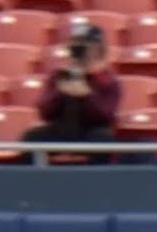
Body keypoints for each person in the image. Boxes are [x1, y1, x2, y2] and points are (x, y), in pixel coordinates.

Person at [20, 22, 121, 164]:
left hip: (91, 132)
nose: (78, 48)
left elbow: (105, 115)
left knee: (103, 140)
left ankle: (96, 183)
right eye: (75, 43)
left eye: (84, 44)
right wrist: (60, 94)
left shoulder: (107, 79)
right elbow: (44, 111)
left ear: (98, 48)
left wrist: (86, 96)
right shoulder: (60, 74)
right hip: (62, 129)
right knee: (32, 137)